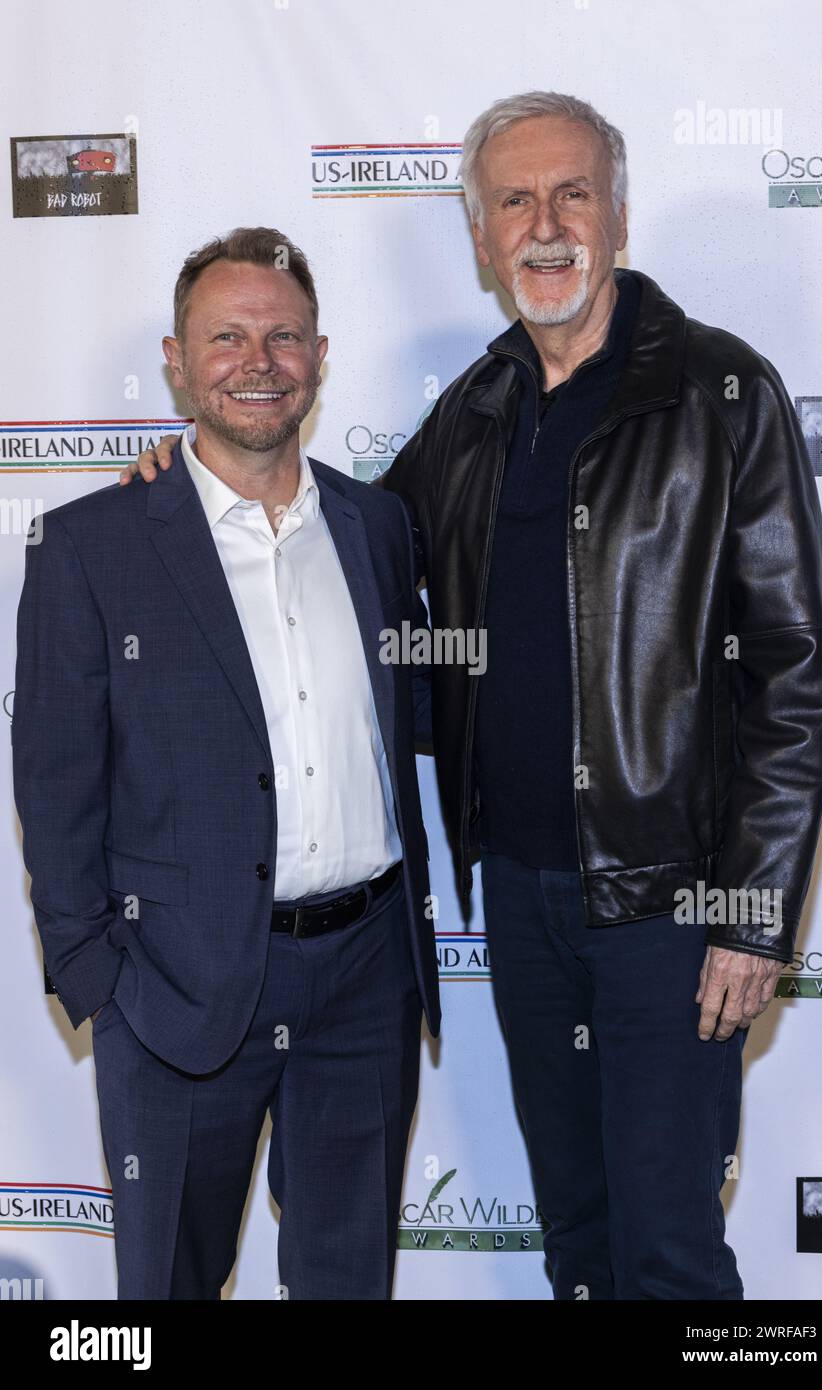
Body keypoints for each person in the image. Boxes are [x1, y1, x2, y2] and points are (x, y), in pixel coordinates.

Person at [122, 93, 822, 1301]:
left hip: (672, 906)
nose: (545, 226)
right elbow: (346, 531)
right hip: (521, 896)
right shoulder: (483, 404)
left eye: (572, 194)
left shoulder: (721, 391)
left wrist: (752, 911)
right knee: (578, 1240)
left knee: (670, 1249)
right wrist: (194, 467)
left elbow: (793, 676)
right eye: (515, 200)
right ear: (480, 235)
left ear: (616, 213)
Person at [13, 226, 440, 1301]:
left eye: (284, 336)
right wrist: (94, 974)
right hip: (174, 984)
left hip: (363, 977)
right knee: (167, 1286)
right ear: (176, 358)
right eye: (228, 337)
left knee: (350, 1280)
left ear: (322, 355)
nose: (259, 360)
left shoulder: (377, 525)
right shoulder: (91, 546)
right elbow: (55, 780)